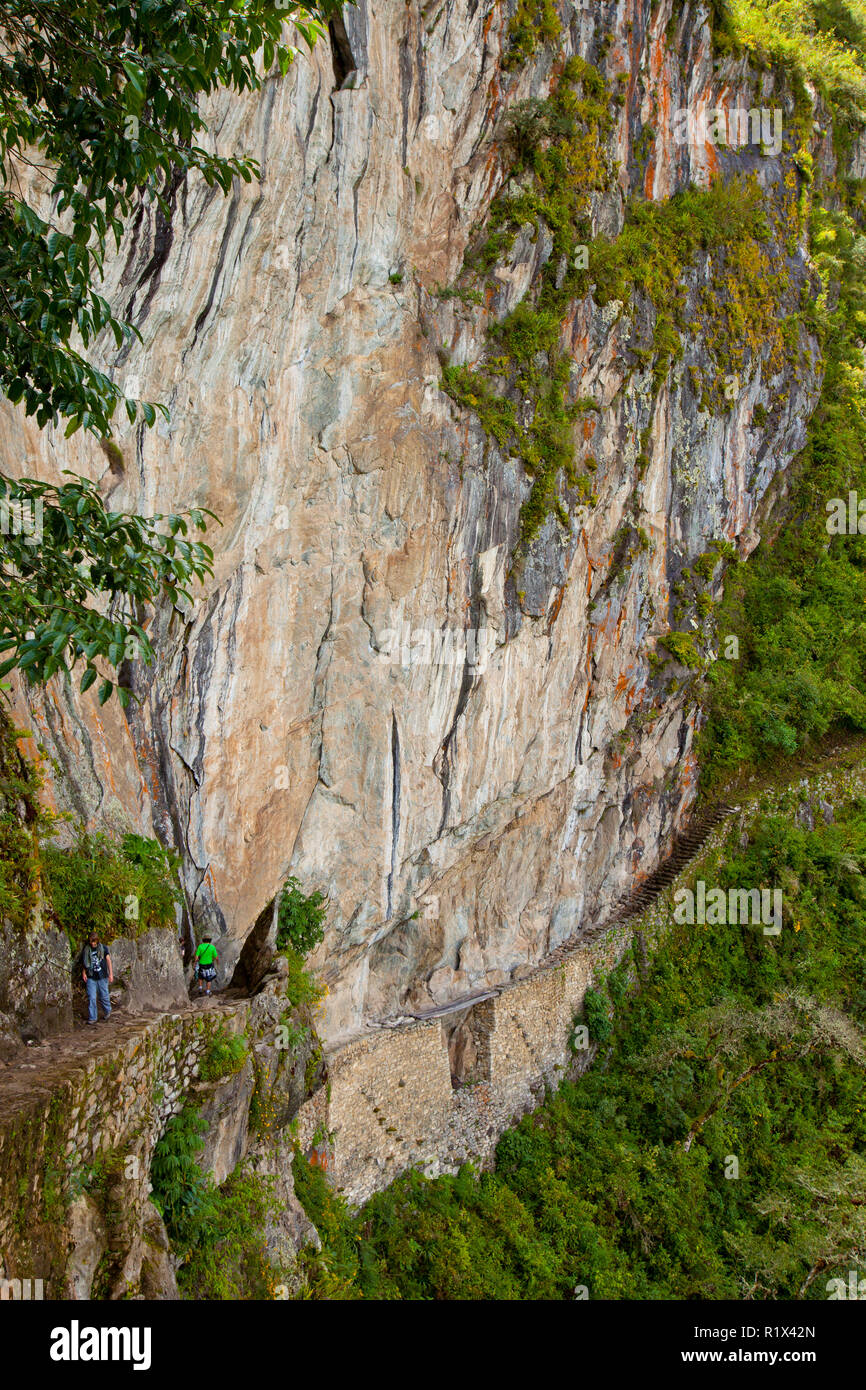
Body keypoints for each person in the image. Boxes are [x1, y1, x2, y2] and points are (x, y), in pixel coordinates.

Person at [81, 932, 113, 1024]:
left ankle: (107, 1011)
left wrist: (111, 974)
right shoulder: (87, 949)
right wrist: (84, 973)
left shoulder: (103, 948)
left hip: (102, 976)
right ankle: (92, 1017)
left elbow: (108, 960)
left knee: (104, 996)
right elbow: (85, 962)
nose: (92, 943)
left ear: (97, 941)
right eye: (91, 942)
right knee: (91, 997)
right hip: (91, 976)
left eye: (94, 942)